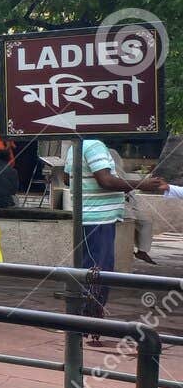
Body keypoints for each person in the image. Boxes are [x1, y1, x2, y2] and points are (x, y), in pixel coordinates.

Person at [67, 137, 166, 343]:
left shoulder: (79, 144)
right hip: (96, 219)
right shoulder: (93, 145)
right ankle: (88, 324)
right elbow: (106, 180)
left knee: (96, 270)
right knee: (97, 272)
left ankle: (87, 322)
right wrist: (142, 184)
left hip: (94, 218)